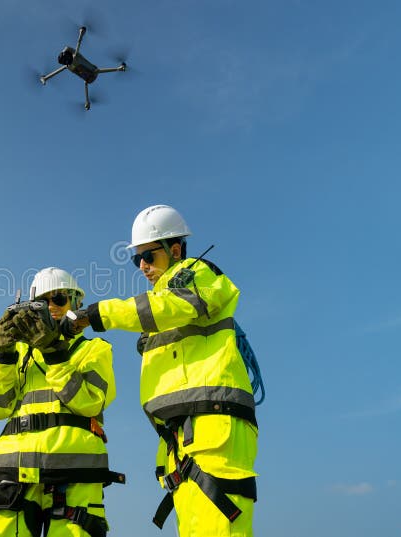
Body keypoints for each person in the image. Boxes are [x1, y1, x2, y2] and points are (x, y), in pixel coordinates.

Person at [63, 205, 258, 537]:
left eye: (148, 256)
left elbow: (170, 307)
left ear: (176, 251)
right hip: (184, 437)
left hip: (213, 425)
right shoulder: (160, 305)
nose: (142, 266)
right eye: (136, 259)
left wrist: (95, 315)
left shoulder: (202, 277)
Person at [0, 267, 123, 537]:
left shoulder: (94, 349)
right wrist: (4, 356)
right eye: (43, 301)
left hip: (73, 472)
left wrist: (55, 354)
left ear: (76, 303)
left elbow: (90, 403)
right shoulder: (19, 354)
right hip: (13, 471)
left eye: (59, 299)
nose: (51, 307)